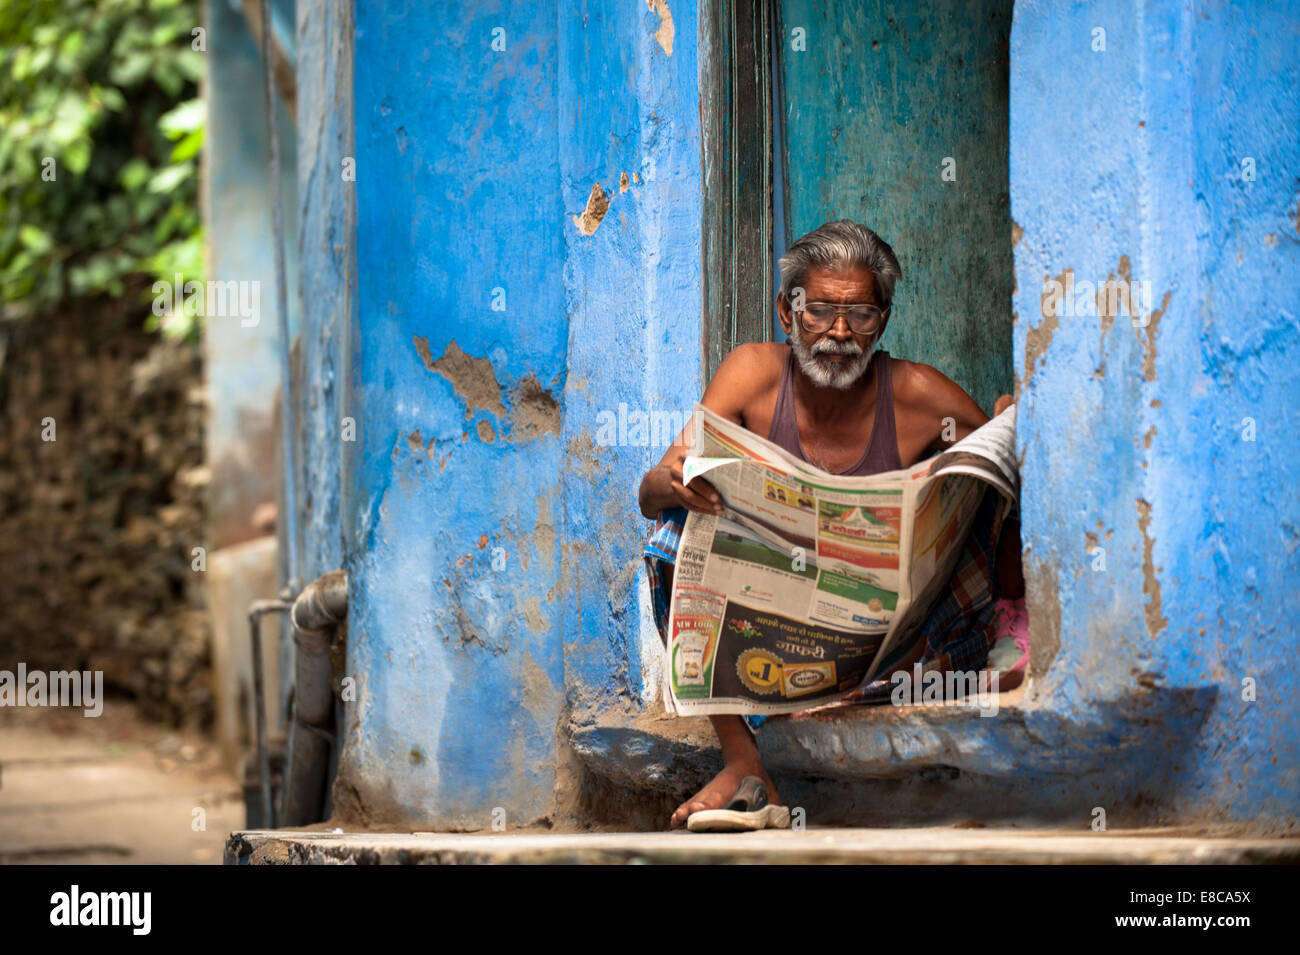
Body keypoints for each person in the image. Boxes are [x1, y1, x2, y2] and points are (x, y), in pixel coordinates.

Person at [637, 220, 1028, 829]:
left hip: (884, 652)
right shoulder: (752, 375)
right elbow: (653, 487)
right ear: (787, 314)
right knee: (670, 532)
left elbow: (1007, 491)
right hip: (775, 638)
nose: (840, 333)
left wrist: (1012, 431)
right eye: (819, 310)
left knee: (992, 512)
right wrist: (677, 483)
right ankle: (744, 762)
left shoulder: (920, 395)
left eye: (861, 315)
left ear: (885, 320)